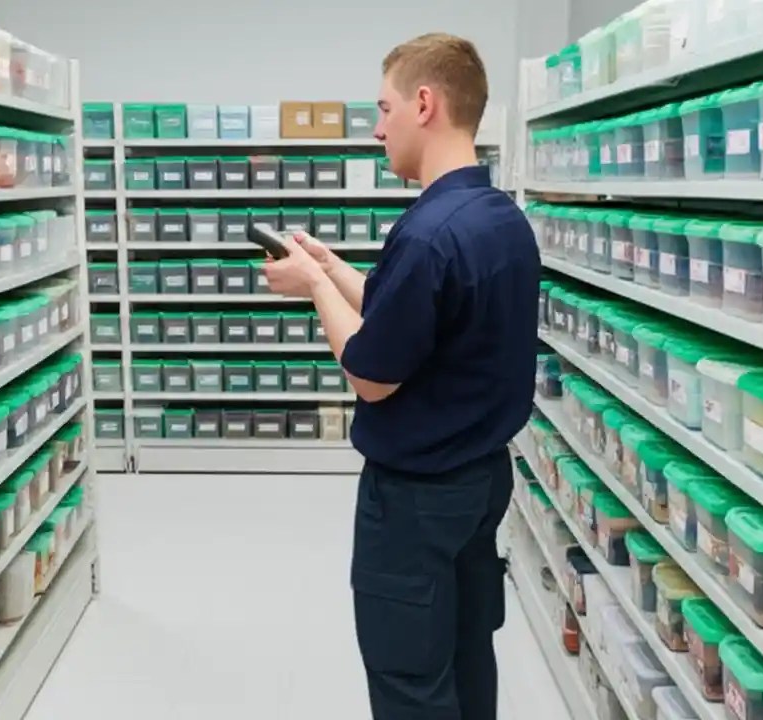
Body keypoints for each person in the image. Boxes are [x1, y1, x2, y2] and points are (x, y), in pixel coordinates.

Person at [262, 32, 539, 720]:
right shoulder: (500, 218)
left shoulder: (424, 233)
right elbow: (415, 325)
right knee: (467, 650)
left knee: (410, 678)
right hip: (479, 480)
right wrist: (330, 271)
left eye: (383, 109)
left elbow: (373, 375)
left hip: (417, 501)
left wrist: (313, 291)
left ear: (425, 103)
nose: (378, 129)